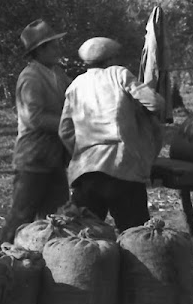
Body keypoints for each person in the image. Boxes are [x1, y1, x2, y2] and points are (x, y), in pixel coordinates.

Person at [59, 37, 166, 231]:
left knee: (86, 235)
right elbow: (155, 103)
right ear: (110, 60)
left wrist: (81, 153)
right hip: (122, 168)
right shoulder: (119, 74)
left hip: (86, 173)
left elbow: (65, 131)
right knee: (135, 234)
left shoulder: (75, 85)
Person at [0, 19, 71, 242]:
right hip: (33, 158)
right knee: (21, 214)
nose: (58, 49)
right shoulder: (30, 77)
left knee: (55, 216)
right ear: (40, 50)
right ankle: (3, 253)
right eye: (53, 45)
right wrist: (69, 123)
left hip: (55, 157)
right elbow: (34, 118)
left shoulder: (57, 73)